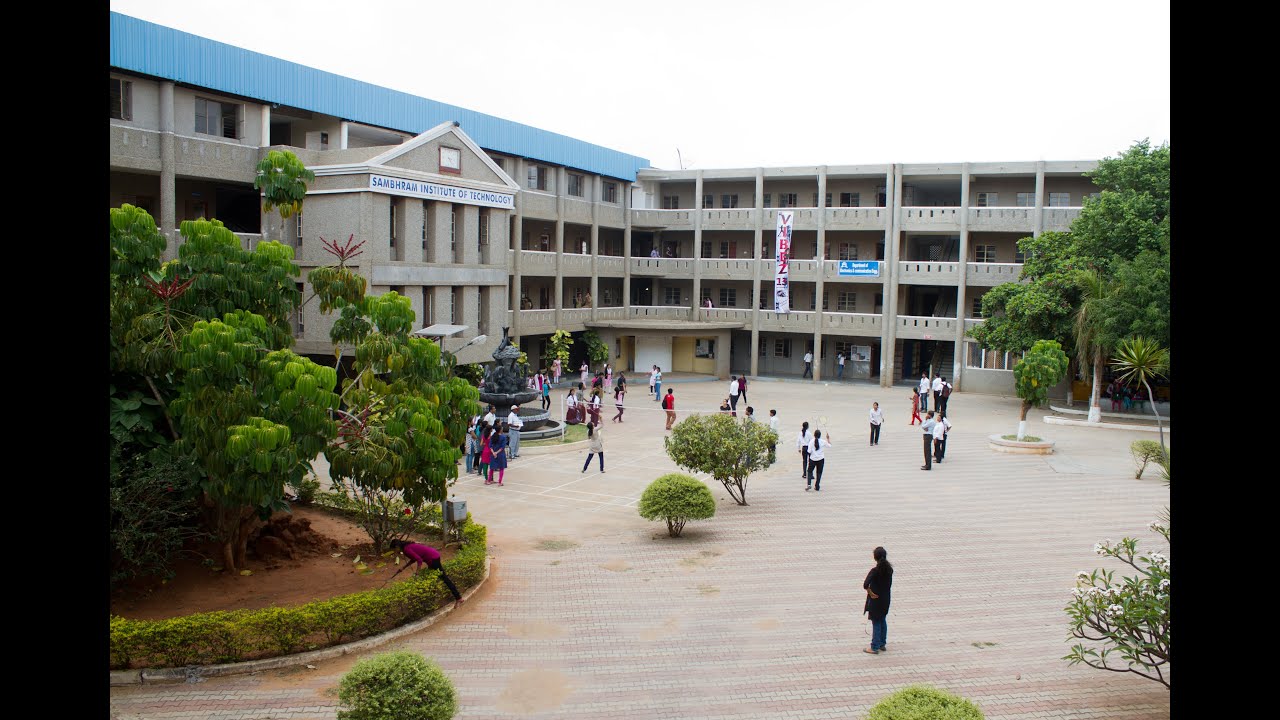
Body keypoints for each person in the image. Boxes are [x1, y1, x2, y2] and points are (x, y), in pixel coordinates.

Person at [389, 540, 464, 608]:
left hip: (432, 559)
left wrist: (417, 573)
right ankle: (435, 596)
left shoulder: (406, 549)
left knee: (444, 578)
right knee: (435, 576)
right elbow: (414, 558)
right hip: (434, 555)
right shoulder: (407, 547)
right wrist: (403, 567)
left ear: (397, 547)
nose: (395, 551)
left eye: (394, 549)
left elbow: (419, 560)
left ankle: (458, 598)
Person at [862, 546, 893, 654]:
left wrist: (871, 593)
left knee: (876, 622)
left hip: (876, 601)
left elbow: (865, 585)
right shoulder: (890, 570)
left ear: (875, 558)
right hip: (886, 599)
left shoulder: (874, 571)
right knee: (882, 620)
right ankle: (882, 643)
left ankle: (874, 646)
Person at [487, 421, 509, 486]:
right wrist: (496, 452)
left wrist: (493, 452)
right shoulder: (503, 437)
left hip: (493, 454)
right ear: (500, 430)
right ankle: (500, 482)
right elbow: (502, 447)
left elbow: (490, 445)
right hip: (500, 454)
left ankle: (489, 480)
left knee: (492, 468)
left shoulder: (493, 436)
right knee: (501, 468)